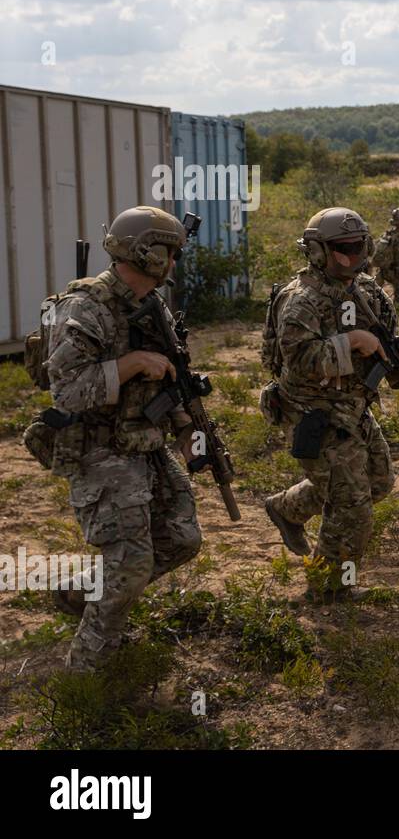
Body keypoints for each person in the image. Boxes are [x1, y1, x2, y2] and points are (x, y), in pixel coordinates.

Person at [44, 206, 203, 671]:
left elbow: (172, 375)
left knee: (182, 539)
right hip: (99, 448)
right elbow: (68, 392)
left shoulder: (152, 305)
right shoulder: (85, 307)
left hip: (144, 442)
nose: (172, 262)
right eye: (168, 252)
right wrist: (130, 364)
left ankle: (82, 591)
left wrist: (187, 429)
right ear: (144, 252)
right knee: (132, 563)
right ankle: (85, 674)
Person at [260, 207, 399, 601]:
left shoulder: (367, 292)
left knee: (377, 481)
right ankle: (329, 589)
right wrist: (351, 341)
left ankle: (287, 508)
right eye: (343, 249)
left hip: (353, 407)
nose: (352, 257)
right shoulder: (301, 300)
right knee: (351, 506)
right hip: (312, 412)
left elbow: (388, 345)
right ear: (318, 251)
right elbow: (299, 360)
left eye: (359, 247)